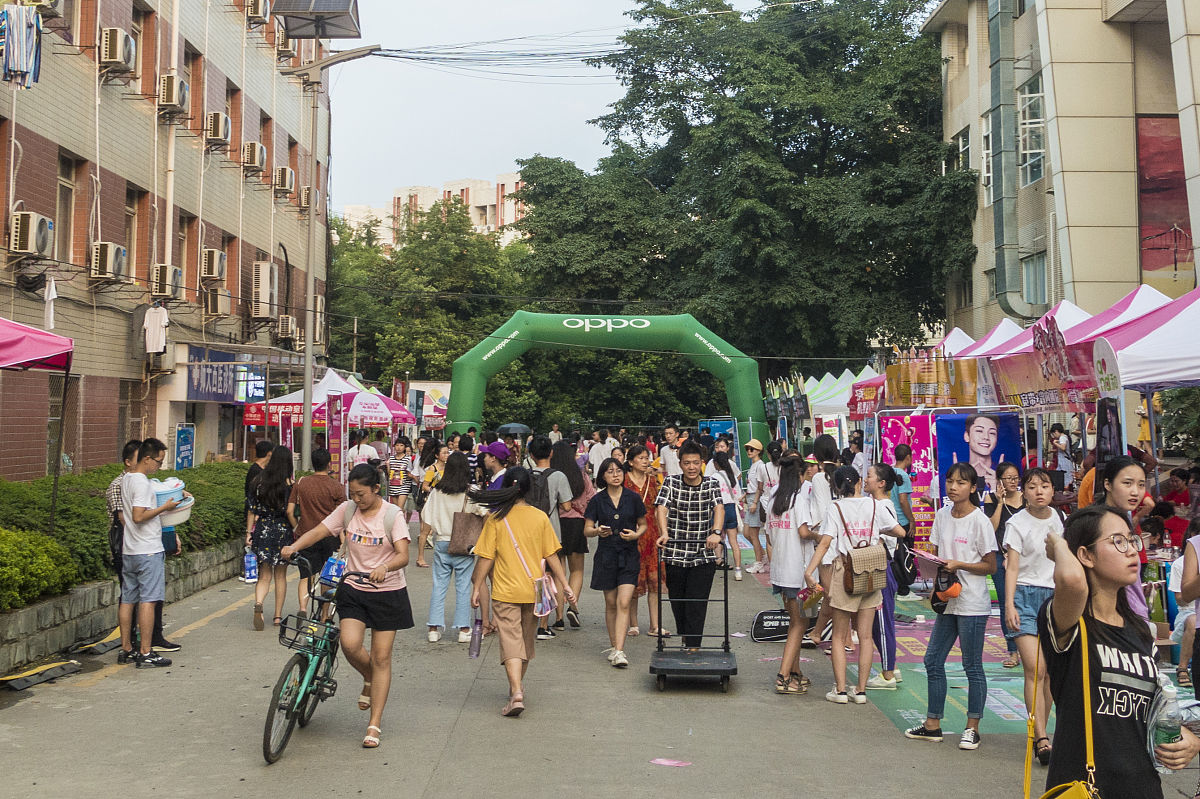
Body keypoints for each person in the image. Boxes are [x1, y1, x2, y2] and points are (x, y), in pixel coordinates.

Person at [1044, 506, 1200, 795]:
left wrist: (1189, 740)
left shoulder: (1141, 632)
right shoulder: (1071, 621)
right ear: (1085, 555)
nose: (1131, 551)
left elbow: (1155, 710)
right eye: (1118, 541)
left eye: (1132, 540)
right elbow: (1071, 581)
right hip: (1085, 786)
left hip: (1142, 785)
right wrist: (1058, 544)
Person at [282, 464, 413, 749]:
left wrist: (385, 566)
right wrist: (295, 546)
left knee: (382, 658)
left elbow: (403, 555)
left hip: (387, 592)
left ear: (376, 489)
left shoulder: (392, 515)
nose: (357, 499)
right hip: (353, 586)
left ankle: (374, 723)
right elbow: (319, 530)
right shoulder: (348, 510)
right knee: (349, 643)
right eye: (352, 494)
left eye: (361, 494)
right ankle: (369, 677)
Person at [905, 462, 996, 750]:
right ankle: (933, 724)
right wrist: (934, 584)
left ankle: (972, 727)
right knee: (932, 659)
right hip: (946, 600)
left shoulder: (980, 521)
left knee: (972, 665)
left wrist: (960, 565)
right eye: (950, 481)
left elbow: (991, 565)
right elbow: (934, 554)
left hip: (972, 603)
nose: (954, 486)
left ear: (972, 487)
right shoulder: (942, 515)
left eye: (961, 482)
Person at [469, 468, 574, 716]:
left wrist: (476, 586)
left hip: (505, 591)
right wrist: (565, 583)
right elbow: (551, 554)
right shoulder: (539, 517)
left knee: (511, 643)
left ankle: (516, 691)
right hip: (534, 591)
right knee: (525, 644)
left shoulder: (496, 519)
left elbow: (486, 557)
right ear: (529, 490)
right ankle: (516, 687)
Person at [807, 466, 903, 704]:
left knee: (839, 637)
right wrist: (874, 532)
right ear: (860, 481)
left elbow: (826, 542)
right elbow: (899, 531)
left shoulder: (836, 508)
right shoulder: (875, 505)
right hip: (871, 573)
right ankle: (860, 691)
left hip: (846, 572)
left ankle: (840, 690)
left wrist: (810, 570)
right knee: (866, 637)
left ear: (838, 487)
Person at [1001, 467, 1061, 766]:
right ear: (1023, 491)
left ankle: (1041, 733)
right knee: (1034, 669)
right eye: (1032, 486)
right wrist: (1009, 604)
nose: (1039, 491)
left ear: (1052, 490)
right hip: (1024, 596)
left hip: (1054, 599)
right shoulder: (1016, 524)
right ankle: (1041, 737)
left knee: (1050, 672)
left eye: (1045, 486)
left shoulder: (1058, 520)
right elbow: (1011, 567)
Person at [116, 438, 183, 668]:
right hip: (148, 550)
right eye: (158, 461)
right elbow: (138, 516)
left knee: (128, 600)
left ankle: (126, 648)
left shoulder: (126, 479)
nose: (159, 466)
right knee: (148, 601)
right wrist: (166, 508)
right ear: (147, 458)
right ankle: (145, 652)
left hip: (130, 550)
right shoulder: (142, 483)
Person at [655, 440, 724, 651]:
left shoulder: (711, 483)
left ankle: (694, 644)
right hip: (676, 550)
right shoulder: (671, 483)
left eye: (695, 463)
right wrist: (664, 532)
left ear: (702, 463)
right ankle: (686, 636)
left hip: (703, 552)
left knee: (697, 601)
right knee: (677, 600)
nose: (691, 467)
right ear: (680, 463)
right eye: (687, 463)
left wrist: (716, 532)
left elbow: (719, 508)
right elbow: (661, 508)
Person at [584, 457, 648, 667]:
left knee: (623, 602)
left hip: (629, 554)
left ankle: (620, 651)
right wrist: (597, 531)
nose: (615, 474)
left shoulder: (633, 498)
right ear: (603, 476)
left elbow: (643, 525)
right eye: (610, 471)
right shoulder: (597, 500)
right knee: (611, 603)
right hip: (606, 555)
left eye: (619, 470)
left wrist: (635, 535)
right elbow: (587, 529)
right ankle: (614, 646)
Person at [417, 451, 484, 643]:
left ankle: (433, 628)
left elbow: (426, 517)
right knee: (463, 587)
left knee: (439, 585)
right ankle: (463, 629)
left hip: (442, 542)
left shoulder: (438, 491)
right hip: (464, 544)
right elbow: (484, 512)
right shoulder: (471, 491)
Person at [766, 453, 815, 695]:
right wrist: (822, 535)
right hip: (797, 570)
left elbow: (769, 535)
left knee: (796, 622)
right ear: (798, 475)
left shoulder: (773, 496)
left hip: (780, 570)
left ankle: (795, 673)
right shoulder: (799, 498)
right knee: (800, 624)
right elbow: (804, 532)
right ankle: (783, 675)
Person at [286, 448, 345, 617]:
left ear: (312, 464)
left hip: (306, 536)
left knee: (306, 574)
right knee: (328, 576)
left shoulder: (301, 482)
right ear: (329, 464)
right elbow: (342, 517)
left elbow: (290, 511)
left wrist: (297, 528)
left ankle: (303, 608)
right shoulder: (337, 487)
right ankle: (325, 613)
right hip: (329, 537)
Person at [526, 435, 574, 637]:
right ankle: (543, 624)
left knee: (531, 575)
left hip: (527, 531)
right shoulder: (559, 476)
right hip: (551, 532)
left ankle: (528, 619)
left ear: (530, 454)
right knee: (548, 578)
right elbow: (567, 505)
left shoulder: (525, 476)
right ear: (551, 453)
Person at [1097, 455, 1155, 620]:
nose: (1135, 492)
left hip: (1135, 615)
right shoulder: (1095, 522)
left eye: (1141, 485)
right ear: (1107, 484)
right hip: (1113, 620)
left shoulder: (1126, 520)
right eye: (1127, 483)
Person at [247, 446, 295, 630]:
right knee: (280, 575)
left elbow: (252, 508)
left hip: (263, 528)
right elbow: (291, 510)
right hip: (283, 529)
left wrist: (248, 533)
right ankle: (277, 616)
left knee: (264, 574)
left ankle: (259, 603)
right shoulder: (289, 485)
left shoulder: (258, 481)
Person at [866, 462, 905, 689]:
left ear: (881, 483)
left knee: (881, 623)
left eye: (870, 476)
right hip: (882, 567)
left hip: (881, 567)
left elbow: (899, 531)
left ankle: (888, 674)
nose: (866, 479)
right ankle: (891, 665)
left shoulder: (880, 507)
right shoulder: (882, 504)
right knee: (877, 623)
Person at [624, 444, 669, 637]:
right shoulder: (624, 481)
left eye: (647, 458)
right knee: (632, 580)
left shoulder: (653, 481)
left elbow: (659, 507)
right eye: (641, 458)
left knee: (655, 581)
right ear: (631, 461)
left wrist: (663, 530)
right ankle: (633, 623)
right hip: (631, 533)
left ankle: (655, 625)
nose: (645, 461)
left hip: (652, 533)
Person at [984, 462, 1024, 668]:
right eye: (1008, 478)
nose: (1013, 482)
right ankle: (1012, 651)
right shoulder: (990, 499)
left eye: (1016, 478)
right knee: (1005, 603)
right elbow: (991, 528)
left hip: (1024, 558)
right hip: (1001, 556)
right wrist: (1000, 503)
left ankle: (1028, 647)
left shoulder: (1025, 498)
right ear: (999, 480)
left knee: (1024, 602)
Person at [551, 439, 594, 629]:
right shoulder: (580, 475)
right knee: (576, 570)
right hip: (576, 523)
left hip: (554, 525)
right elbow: (591, 497)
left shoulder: (551, 476)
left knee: (558, 573)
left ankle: (558, 617)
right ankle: (573, 607)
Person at [802, 434, 840, 649]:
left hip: (826, 538)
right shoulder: (844, 473)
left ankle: (826, 633)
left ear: (816, 454)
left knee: (829, 591)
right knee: (836, 589)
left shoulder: (818, 478)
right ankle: (822, 632)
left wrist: (811, 530)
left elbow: (820, 510)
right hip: (844, 538)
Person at [706, 449, 745, 580]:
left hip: (719, 510)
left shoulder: (714, 478)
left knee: (718, 536)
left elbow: (710, 497)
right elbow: (738, 496)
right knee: (734, 542)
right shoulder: (732, 476)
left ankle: (718, 560)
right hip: (731, 509)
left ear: (716, 464)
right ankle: (738, 570)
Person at [742, 438, 772, 574]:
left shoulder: (760, 466)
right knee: (746, 533)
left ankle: (759, 561)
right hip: (750, 498)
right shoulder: (754, 466)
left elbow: (760, 487)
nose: (749, 451)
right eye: (747, 449)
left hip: (756, 499)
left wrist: (754, 501)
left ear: (759, 451)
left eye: (752, 449)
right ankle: (762, 556)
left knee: (753, 533)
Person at [963, 414, 1000, 492]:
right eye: (979, 431)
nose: (986, 437)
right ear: (967, 436)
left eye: (992, 433)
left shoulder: (1003, 474)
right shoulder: (955, 474)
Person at [386, 436, 415, 510]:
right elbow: (389, 473)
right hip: (393, 485)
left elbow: (410, 471)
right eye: (397, 445)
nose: (399, 447)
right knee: (396, 509)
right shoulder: (391, 458)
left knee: (400, 508)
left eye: (401, 445)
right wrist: (388, 465)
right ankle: (401, 520)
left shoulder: (408, 459)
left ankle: (401, 520)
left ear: (405, 447)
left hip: (404, 485)